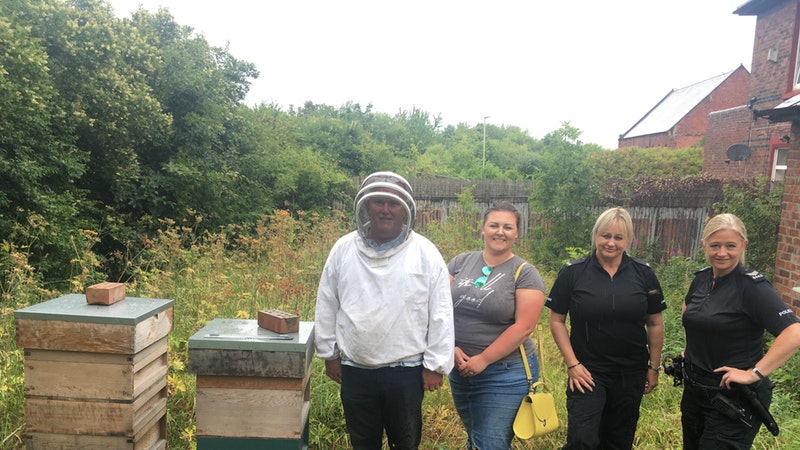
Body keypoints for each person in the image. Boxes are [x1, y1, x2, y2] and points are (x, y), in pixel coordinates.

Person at [314, 171, 455, 450]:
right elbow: (327, 302)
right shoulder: (343, 249)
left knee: (405, 444)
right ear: (366, 206)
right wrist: (328, 353)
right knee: (363, 444)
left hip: (407, 371)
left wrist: (436, 365)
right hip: (356, 368)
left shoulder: (425, 252)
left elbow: (440, 310)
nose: (386, 210)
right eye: (379, 202)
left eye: (393, 204)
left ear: (406, 210)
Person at [546, 207, 665, 450]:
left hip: (630, 372)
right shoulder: (573, 272)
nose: (610, 243)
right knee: (582, 440)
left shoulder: (643, 274)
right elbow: (556, 320)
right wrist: (572, 364)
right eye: (605, 236)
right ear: (596, 235)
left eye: (618, 237)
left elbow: (655, 323)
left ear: (628, 239)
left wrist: (653, 367)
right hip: (587, 372)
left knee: (618, 441)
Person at [679, 213, 800, 449]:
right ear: (703, 244)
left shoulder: (751, 286)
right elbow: (690, 311)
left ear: (743, 245)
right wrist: (691, 348)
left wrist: (753, 373)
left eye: (730, 246)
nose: (722, 252)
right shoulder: (702, 279)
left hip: (733, 397)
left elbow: (793, 331)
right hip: (695, 390)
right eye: (715, 245)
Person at [447, 201, 546, 449]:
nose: (499, 231)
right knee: (477, 436)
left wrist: (484, 359)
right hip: (459, 366)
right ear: (482, 229)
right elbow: (436, 308)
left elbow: (524, 326)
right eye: (493, 225)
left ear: (516, 233)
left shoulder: (525, 273)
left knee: (489, 442)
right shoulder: (460, 262)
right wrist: (449, 348)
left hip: (504, 372)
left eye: (507, 227)